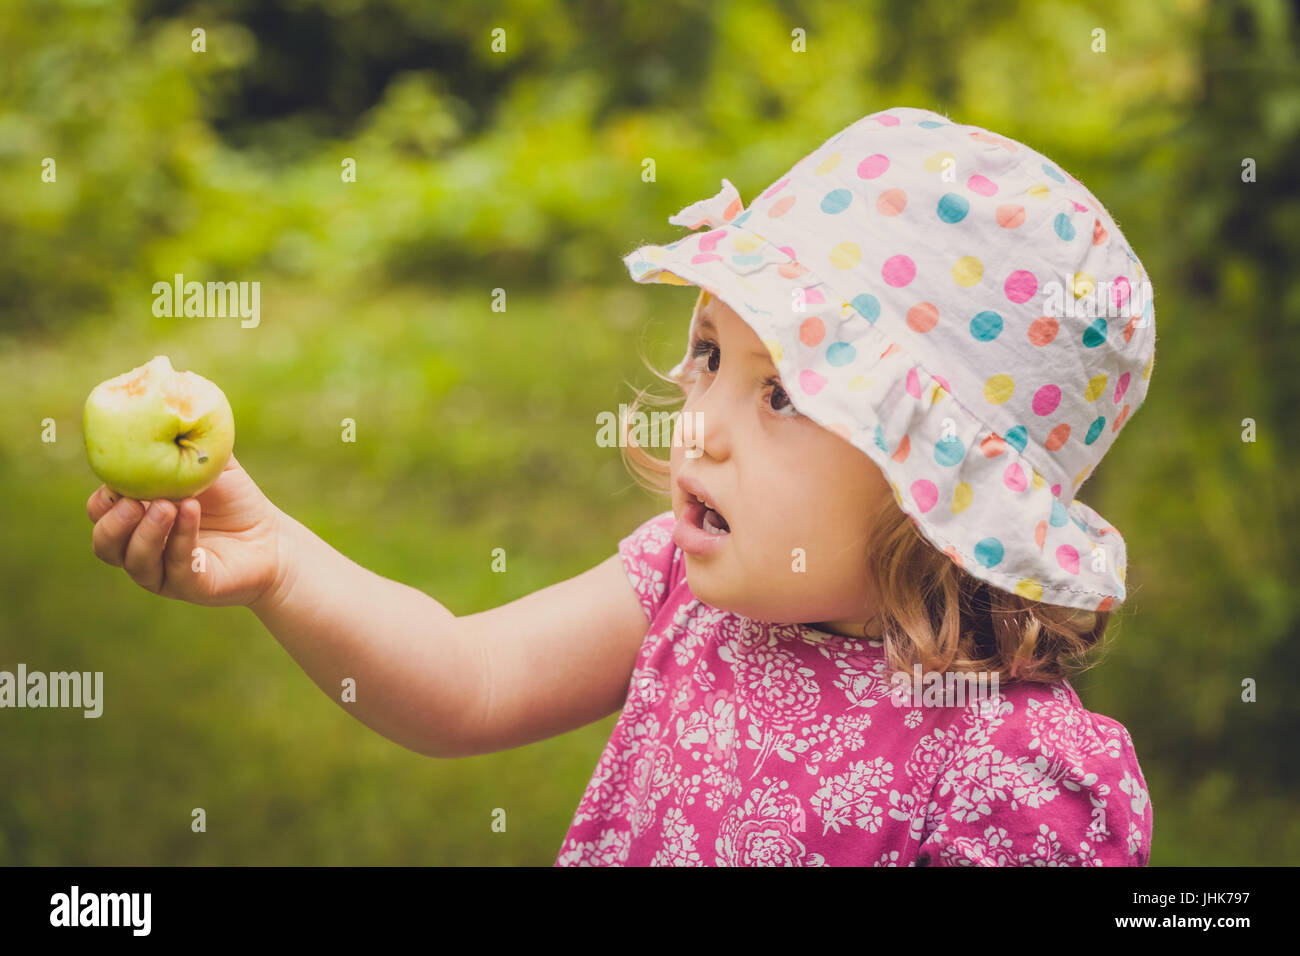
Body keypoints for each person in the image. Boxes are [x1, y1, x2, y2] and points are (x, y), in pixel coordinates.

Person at [87, 106, 1154, 866]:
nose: (702, 421)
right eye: (707, 354)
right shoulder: (677, 593)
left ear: (944, 493)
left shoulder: (1013, 773)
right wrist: (278, 558)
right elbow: (468, 680)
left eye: (782, 396)